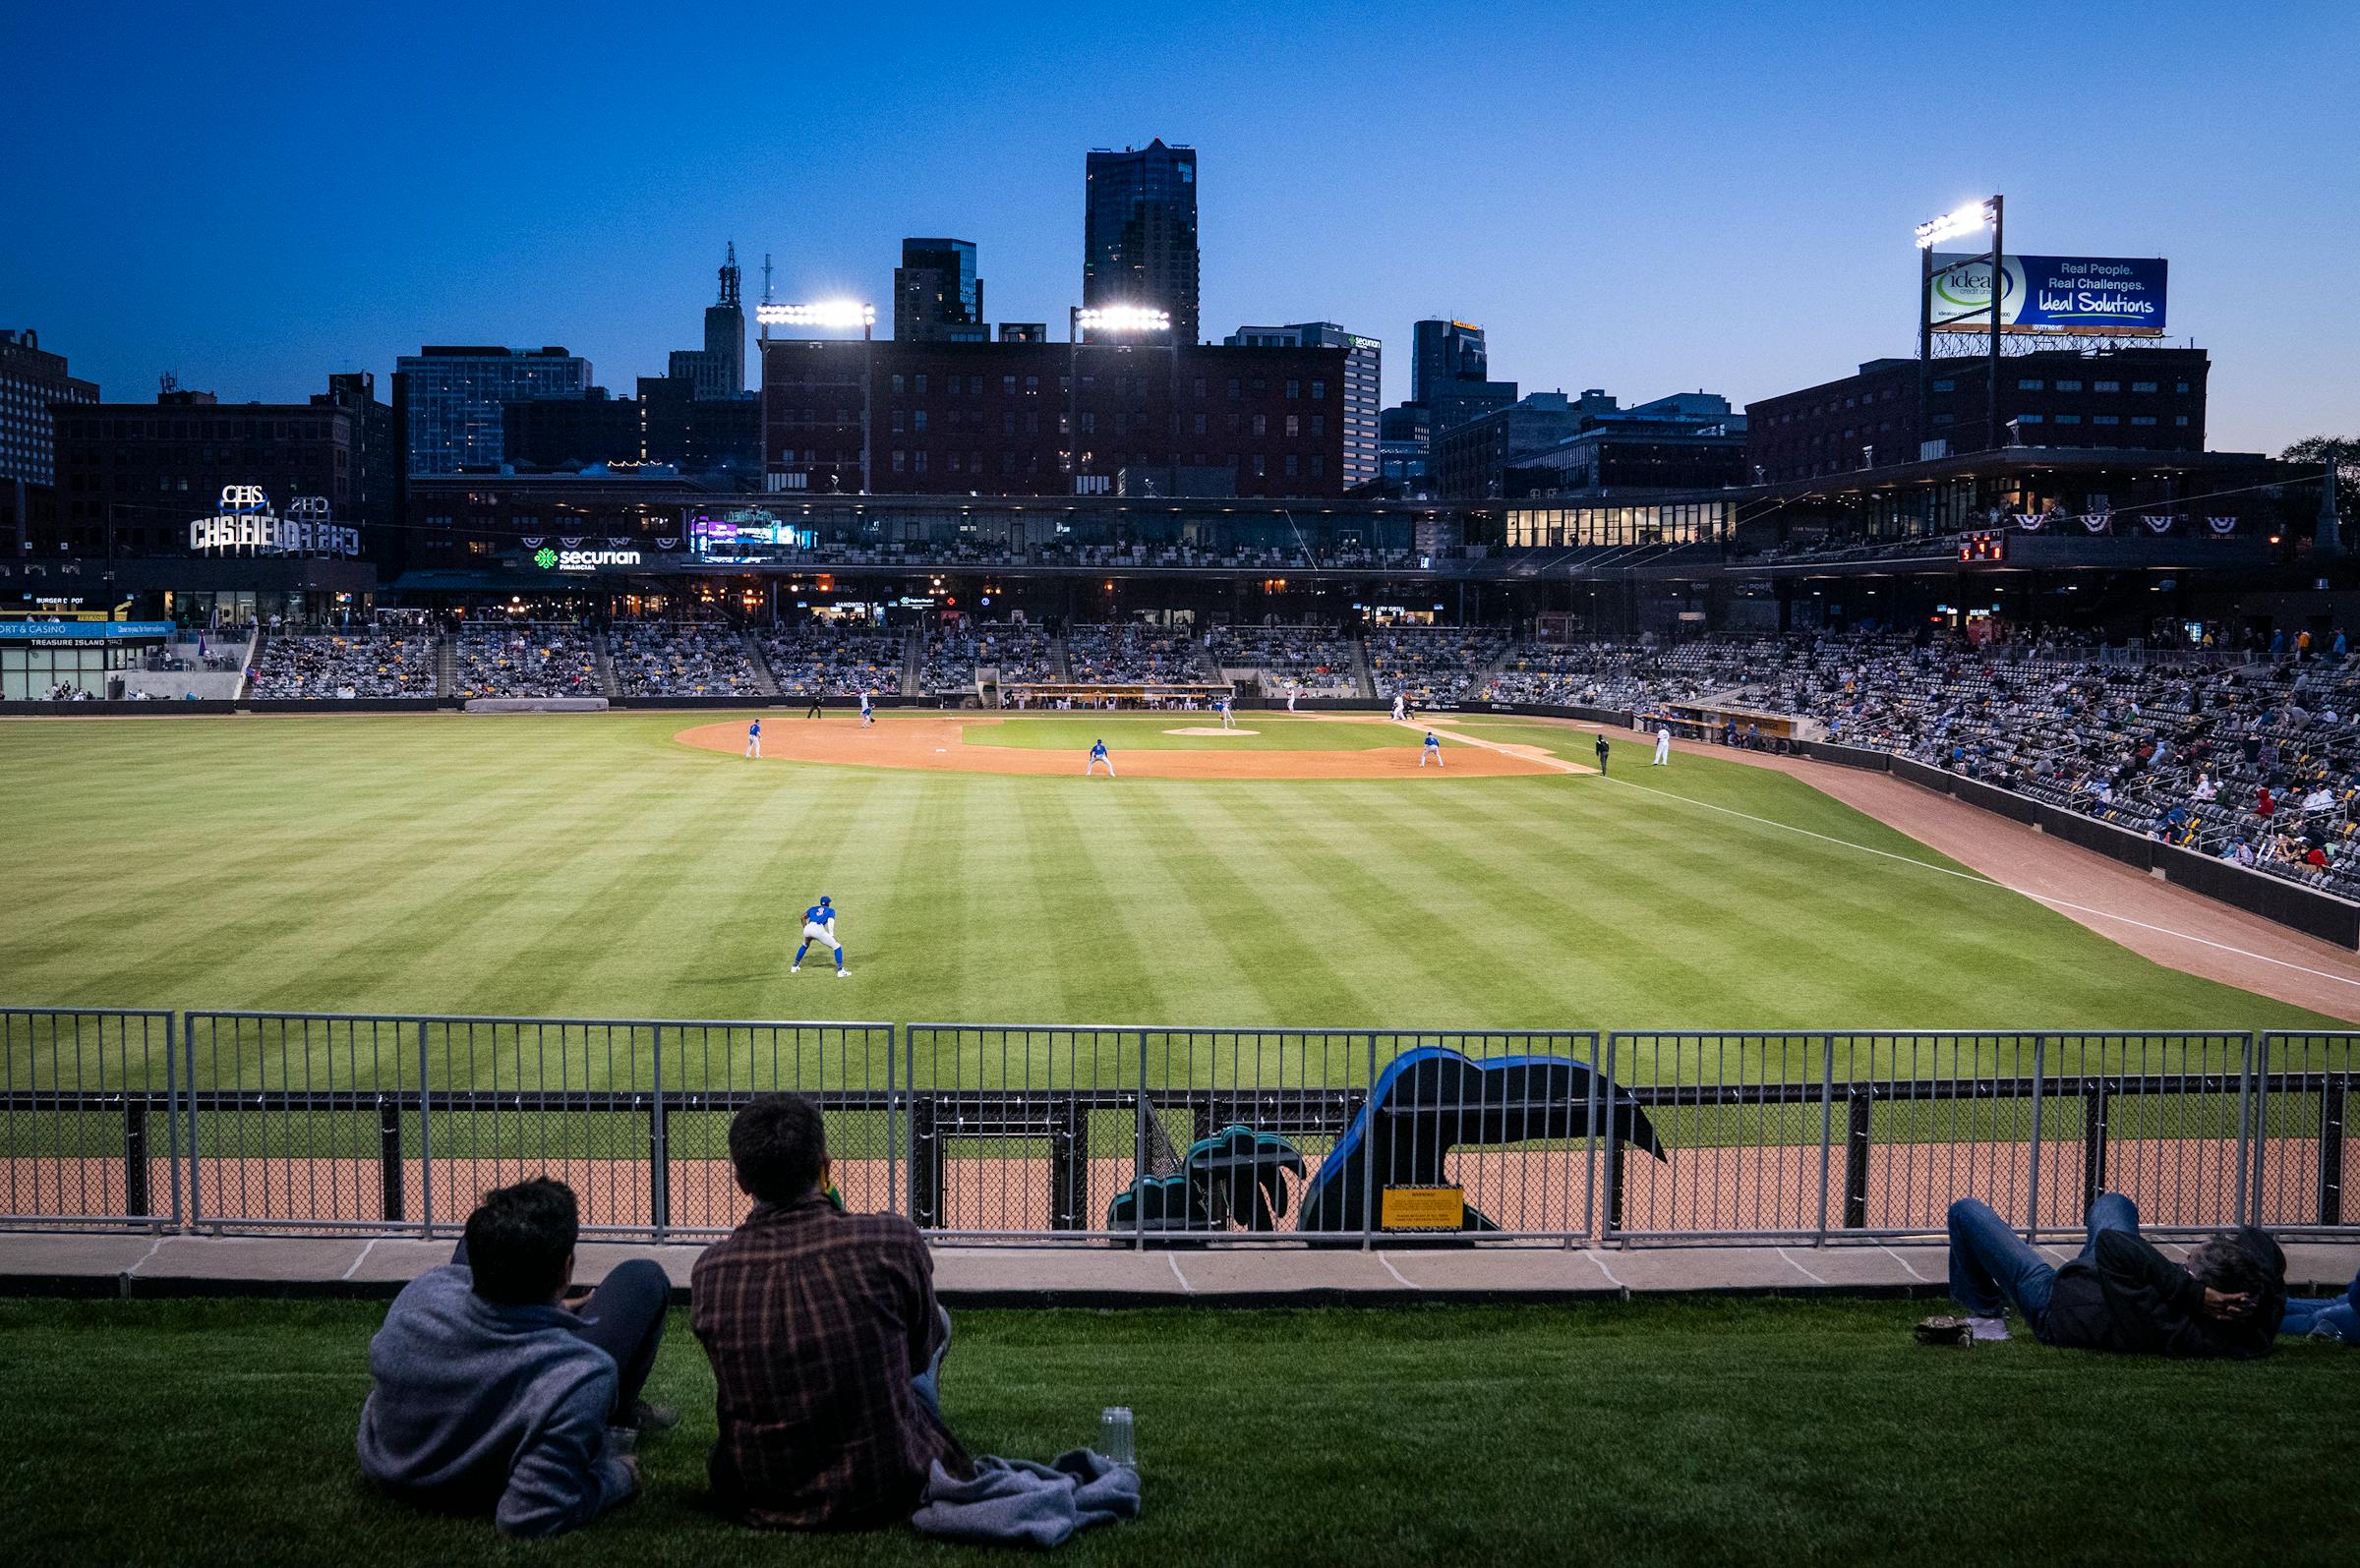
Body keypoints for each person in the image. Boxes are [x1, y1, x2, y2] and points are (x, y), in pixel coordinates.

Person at [691, 1094, 969, 1530]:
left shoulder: (711, 1270)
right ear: (825, 1165)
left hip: (759, 1491)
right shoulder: (891, 1241)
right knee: (939, 1322)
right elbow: (919, 1355)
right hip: (886, 1484)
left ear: (742, 1181)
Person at [356, 1179, 672, 1539]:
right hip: (484, 1479)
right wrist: (619, 1476)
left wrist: (548, 1308)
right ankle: (617, 1417)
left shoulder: (422, 1293)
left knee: (489, 1240)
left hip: (391, 1466)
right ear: (566, 1270)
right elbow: (528, 1516)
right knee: (642, 1277)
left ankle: (527, 1302)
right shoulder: (582, 1373)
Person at [1942, 1192, 2284, 1356]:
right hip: (2104, 1273)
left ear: (2202, 1289)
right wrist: (2257, 1288)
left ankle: (1987, 1316)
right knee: (2114, 1203)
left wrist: (2191, 1294)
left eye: (2188, 1268)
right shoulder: (2254, 1322)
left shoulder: (2171, 1324)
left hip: (2055, 1303)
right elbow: (2258, 1241)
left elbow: (2111, 1245)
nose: (2182, 1266)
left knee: (1965, 1212)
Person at [793, 895, 849, 978]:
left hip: (808, 928)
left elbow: (802, 917)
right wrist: (831, 934)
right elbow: (830, 922)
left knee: (805, 945)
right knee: (837, 946)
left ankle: (794, 967)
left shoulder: (813, 909)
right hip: (818, 929)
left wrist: (806, 928)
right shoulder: (830, 910)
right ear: (828, 903)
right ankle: (840, 971)